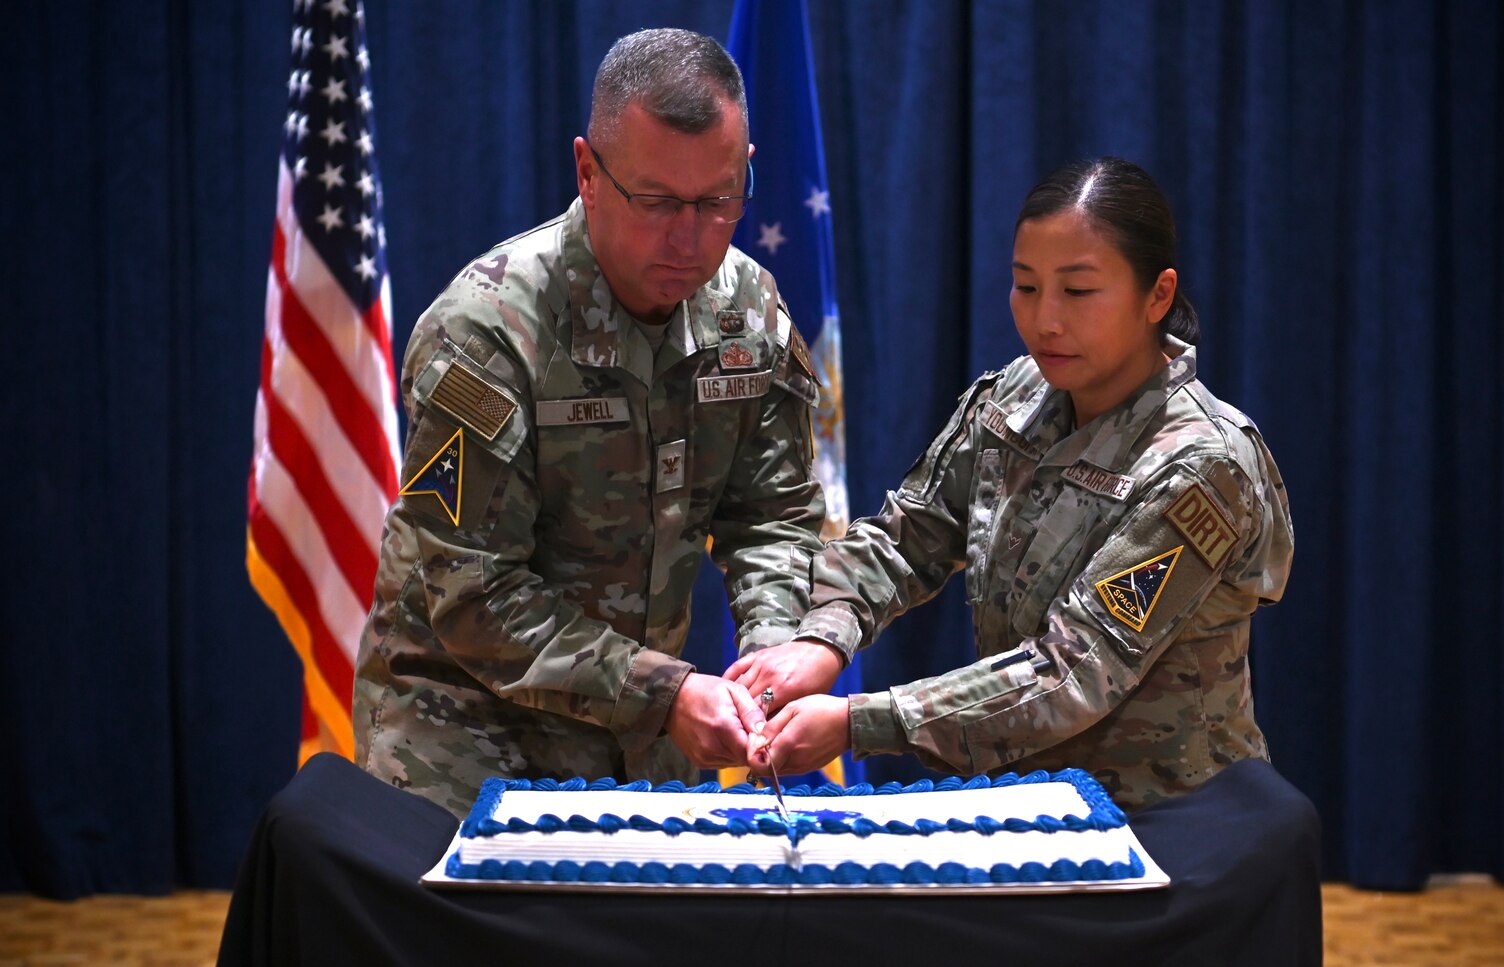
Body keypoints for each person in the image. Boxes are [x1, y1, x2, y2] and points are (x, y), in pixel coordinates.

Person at [353, 28, 829, 814]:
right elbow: (474, 593)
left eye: (718, 201)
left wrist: (773, 648)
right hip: (462, 737)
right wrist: (664, 692)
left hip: (644, 738)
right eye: (657, 202)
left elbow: (771, 518)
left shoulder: (748, 312)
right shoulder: (488, 333)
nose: (690, 236)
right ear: (588, 172)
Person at [735, 157, 1294, 810]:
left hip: (1170, 821)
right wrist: (820, 638)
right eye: (1025, 287)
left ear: (1157, 296)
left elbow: (1072, 672)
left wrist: (861, 720)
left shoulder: (1203, 464)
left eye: (1077, 291)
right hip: (1032, 807)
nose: (1044, 320)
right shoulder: (1013, 397)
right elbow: (905, 539)